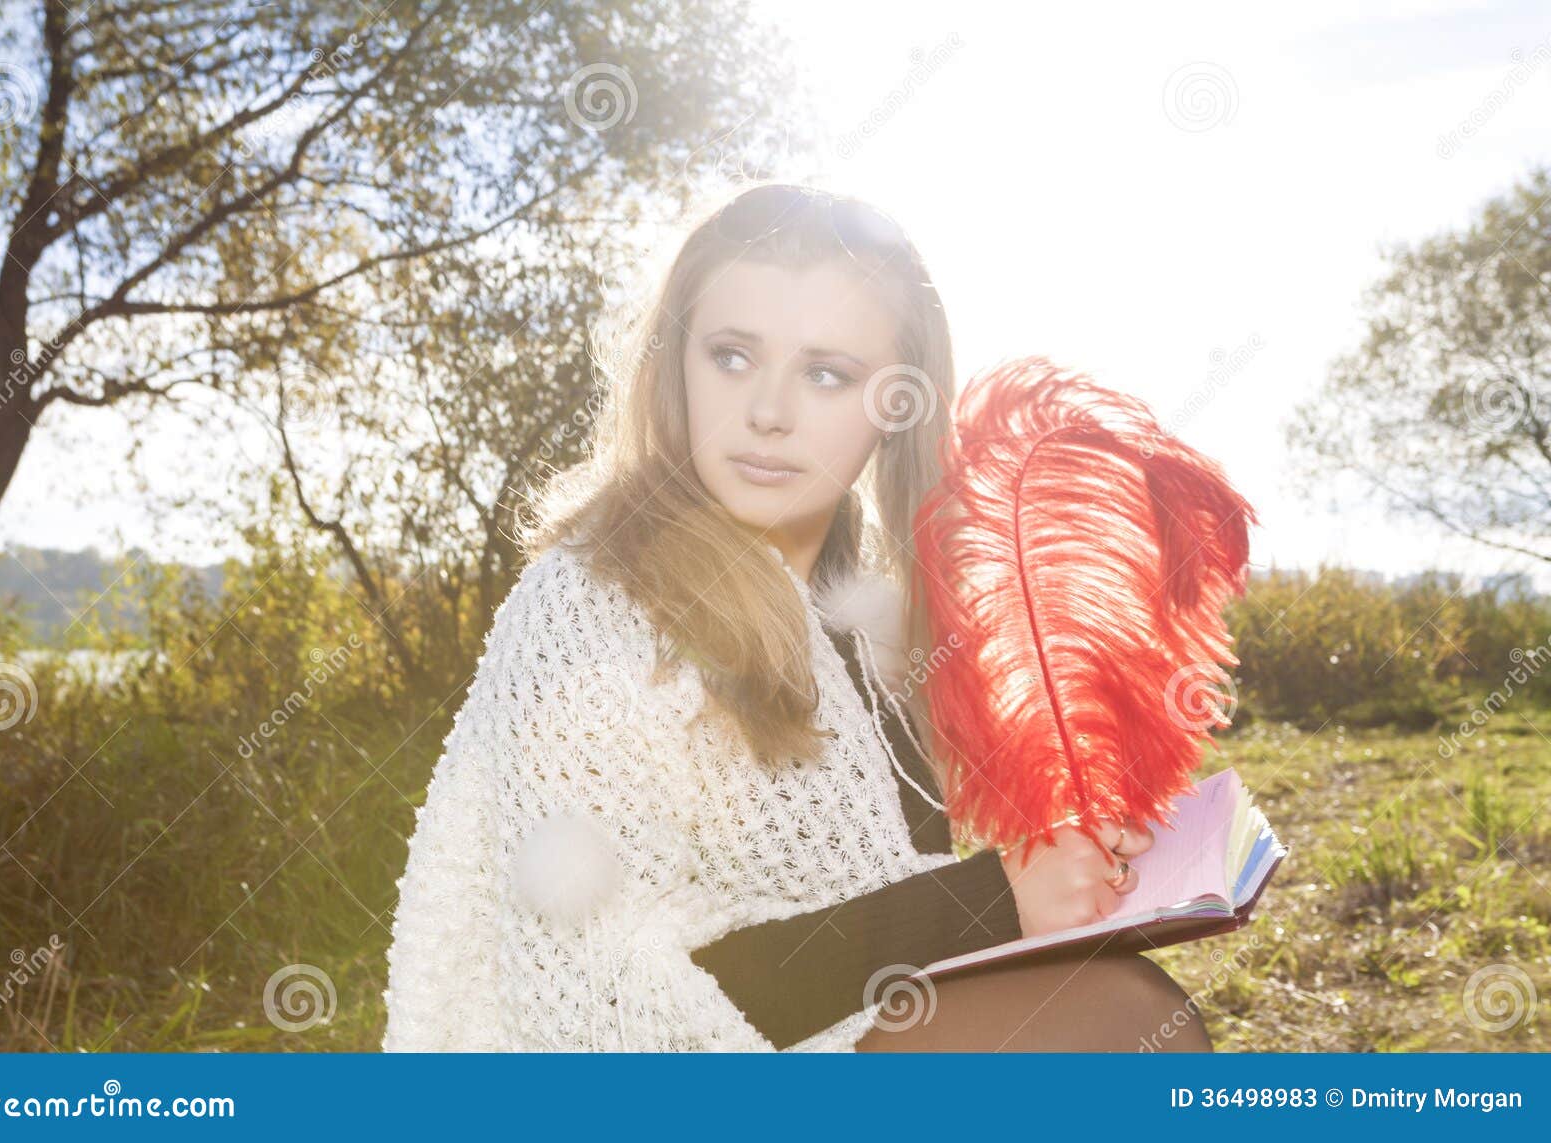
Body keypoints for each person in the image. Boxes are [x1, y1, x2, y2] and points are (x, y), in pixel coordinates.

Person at [379, 182, 1214, 1051]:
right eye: (732, 356)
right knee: (1126, 1024)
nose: (767, 412)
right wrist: (994, 900)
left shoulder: (868, 616)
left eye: (825, 373)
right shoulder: (589, 606)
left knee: (1127, 1011)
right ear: (677, 363)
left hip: (851, 1035)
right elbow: (595, 1003)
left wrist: (1060, 864)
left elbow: (876, 900)